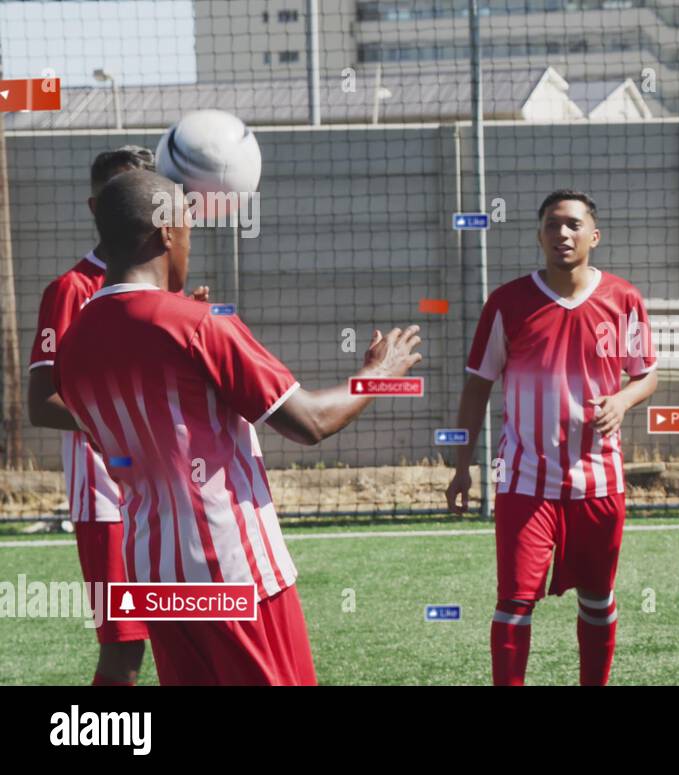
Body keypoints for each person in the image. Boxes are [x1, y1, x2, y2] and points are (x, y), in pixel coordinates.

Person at [53, 169, 421, 685]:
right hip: (232, 570)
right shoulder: (200, 324)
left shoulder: (73, 345)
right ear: (166, 232)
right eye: (187, 229)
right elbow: (309, 421)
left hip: (155, 575)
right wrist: (377, 376)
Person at [445, 189, 659, 686]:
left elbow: (646, 374)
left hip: (599, 483)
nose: (561, 234)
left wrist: (623, 401)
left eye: (572, 225)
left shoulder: (623, 299)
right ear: (539, 235)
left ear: (594, 236)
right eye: (551, 225)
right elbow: (477, 386)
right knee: (514, 601)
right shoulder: (507, 302)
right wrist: (461, 466)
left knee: (597, 599)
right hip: (524, 481)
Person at [27, 147, 162, 686]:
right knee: (124, 653)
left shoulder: (165, 289)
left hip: (168, 498)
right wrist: (119, 422)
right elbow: (42, 405)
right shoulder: (70, 290)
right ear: (94, 206)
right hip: (109, 503)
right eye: (115, 194)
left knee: (185, 636)